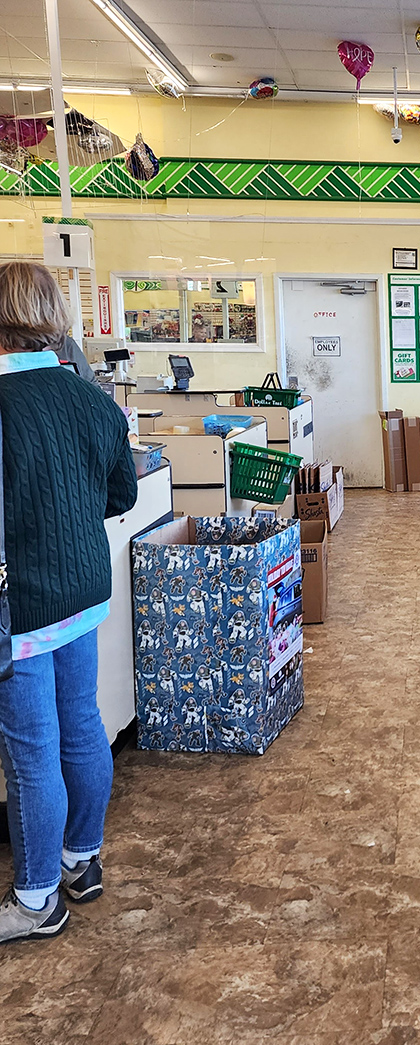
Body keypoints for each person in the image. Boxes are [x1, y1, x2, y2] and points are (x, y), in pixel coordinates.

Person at [0, 261, 138, 945]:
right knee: (82, 723)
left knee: (31, 752)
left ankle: (34, 900)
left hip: (18, 605)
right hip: (83, 592)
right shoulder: (91, 400)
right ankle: (81, 860)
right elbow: (123, 495)